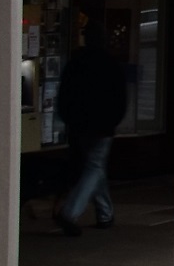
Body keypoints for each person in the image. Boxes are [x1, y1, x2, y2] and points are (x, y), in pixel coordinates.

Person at [54, 27, 127, 236]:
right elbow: (119, 98)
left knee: (94, 166)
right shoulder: (110, 65)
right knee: (95, 166)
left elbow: (65, 94)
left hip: (79, 124)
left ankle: (105, 213)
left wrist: (69, 118)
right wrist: (113, 121)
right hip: (103, 125)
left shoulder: (76, 63)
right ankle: (71, 211)